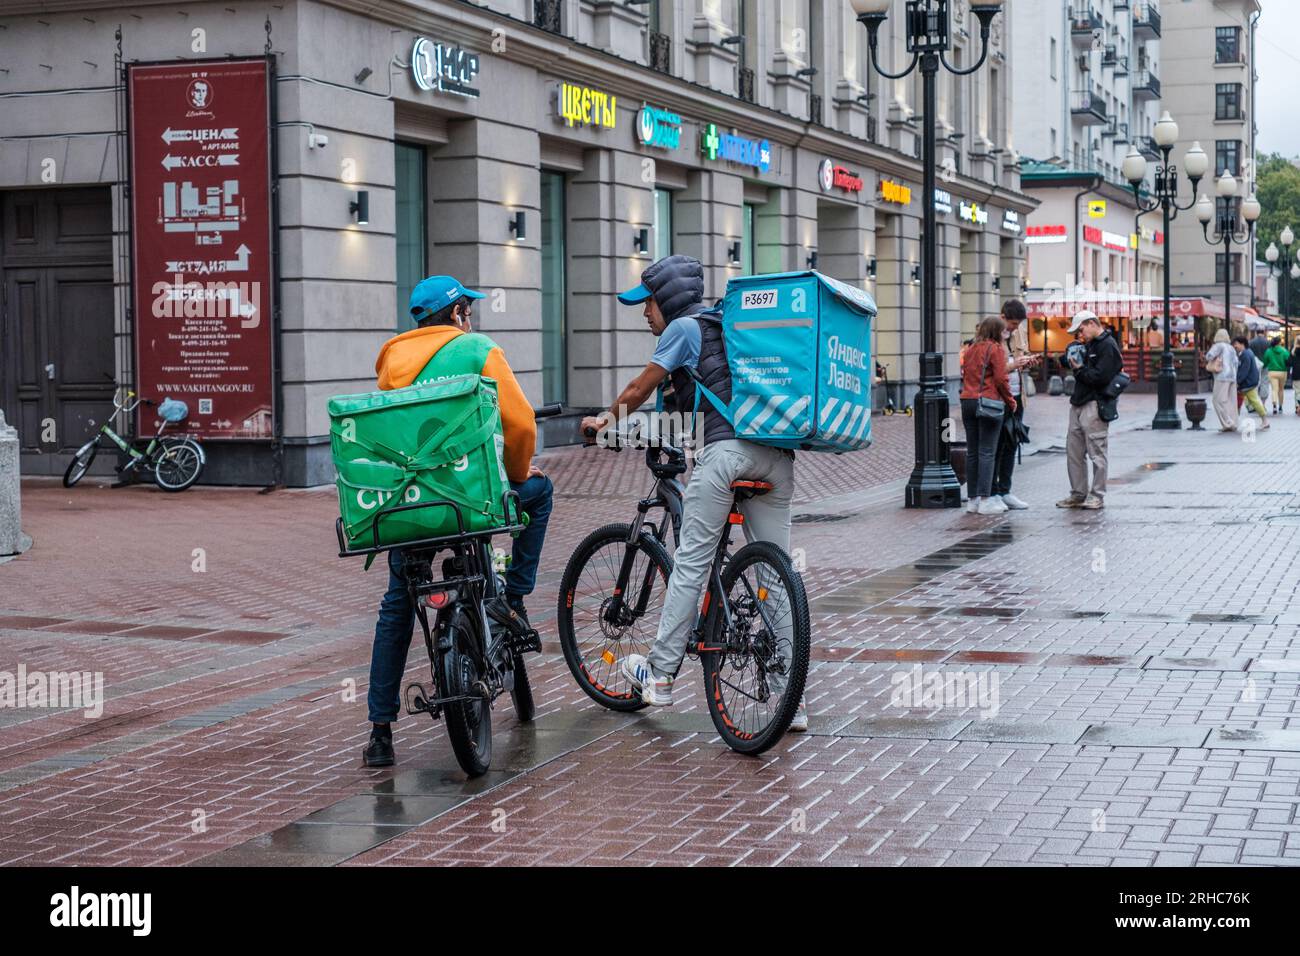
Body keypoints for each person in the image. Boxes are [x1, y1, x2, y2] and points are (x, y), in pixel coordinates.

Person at [578, 255, 806, 731]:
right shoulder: (730, 327)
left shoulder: (682, 330)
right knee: (774, 574)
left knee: (692, 563)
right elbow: (688, 405)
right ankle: (792, 698)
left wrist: (604, 421)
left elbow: (642, 387)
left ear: (668, 301)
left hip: (727, 456)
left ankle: (658, 676)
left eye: (648, 305)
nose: (645, 314)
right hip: (777, 459)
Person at [362, 276, 554, 768]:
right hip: (472, 501)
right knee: (539, 492)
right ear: (456, 315)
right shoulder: (478, 349)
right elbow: (521, 424)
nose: (470, 318)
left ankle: (380, 732)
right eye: (467, 309)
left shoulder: (391, 361)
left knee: (397, 606)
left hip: (412, 507)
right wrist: (516, 473)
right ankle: (514, 598)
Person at [1057, 310, 1121, 511]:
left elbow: (1099, 378)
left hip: (1095, 404)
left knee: (1097, 452)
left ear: (1092, 323)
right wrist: (1068, 359)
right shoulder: (1090, 344)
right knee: (1074, 452)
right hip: (1078, 402)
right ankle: (1078, 494)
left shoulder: (1108, 346)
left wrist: (1078, 369)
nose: (1080, 334)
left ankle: (1097, 495)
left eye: (1081, 329)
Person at [960, 316, 1017, 515]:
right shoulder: (996, 349)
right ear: (995, 332)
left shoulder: (970, 349)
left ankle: (972, 500)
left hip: (967, 400)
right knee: (987, 452)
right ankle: (986, 500)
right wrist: (1011, 401)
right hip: (988, 402)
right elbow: (1001, 379)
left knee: (972, 452)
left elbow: (965, 373)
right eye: (1003, 332)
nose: (1006, 334)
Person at [991, 300, 1038, 510]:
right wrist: (1012, 365)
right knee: (995, 446)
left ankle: (1005, 491)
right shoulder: (990, 335)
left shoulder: (1018, 333)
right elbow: (992, 370)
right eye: (1012, 323)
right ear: (1002, 317)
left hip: (1017, 396)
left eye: (1018, 323)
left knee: (1011, 443)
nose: (1014, 328)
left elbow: (1020, 357)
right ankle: (991, 492)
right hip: (997, 398)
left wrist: (1027, 361)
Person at [1204, 328, 1239, 432]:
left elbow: (1209, 356)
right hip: (1232, 377)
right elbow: (1236, 362)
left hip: (1222, 376)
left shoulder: (1218, 346)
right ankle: (1233, 422)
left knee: (1218, 400)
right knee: (1231, 401)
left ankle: (1228, 422)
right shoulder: (1231, 348)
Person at [1233, 335, 1270, 430]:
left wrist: (1238, 381)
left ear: (1242, 344)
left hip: (1247, 383)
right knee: (1238, 401)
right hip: (1249, 382)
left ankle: (1265, 421)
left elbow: (1244, 370)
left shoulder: (1245, 354)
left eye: (1236, 344)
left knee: (1254, 401)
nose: (1234, 346)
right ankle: (1234, 421)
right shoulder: (1247, 353)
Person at [1262, 337, 1290, 414]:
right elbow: (1288, 360)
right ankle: (1280, 406)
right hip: (1282, 372)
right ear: (1279, 342)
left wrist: (1263, 367)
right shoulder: (1284, 351)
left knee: (1274, 389)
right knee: (1281, 390)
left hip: (1272, 372)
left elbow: (1265, 361)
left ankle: (1274, 405)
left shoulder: (1269, 351)